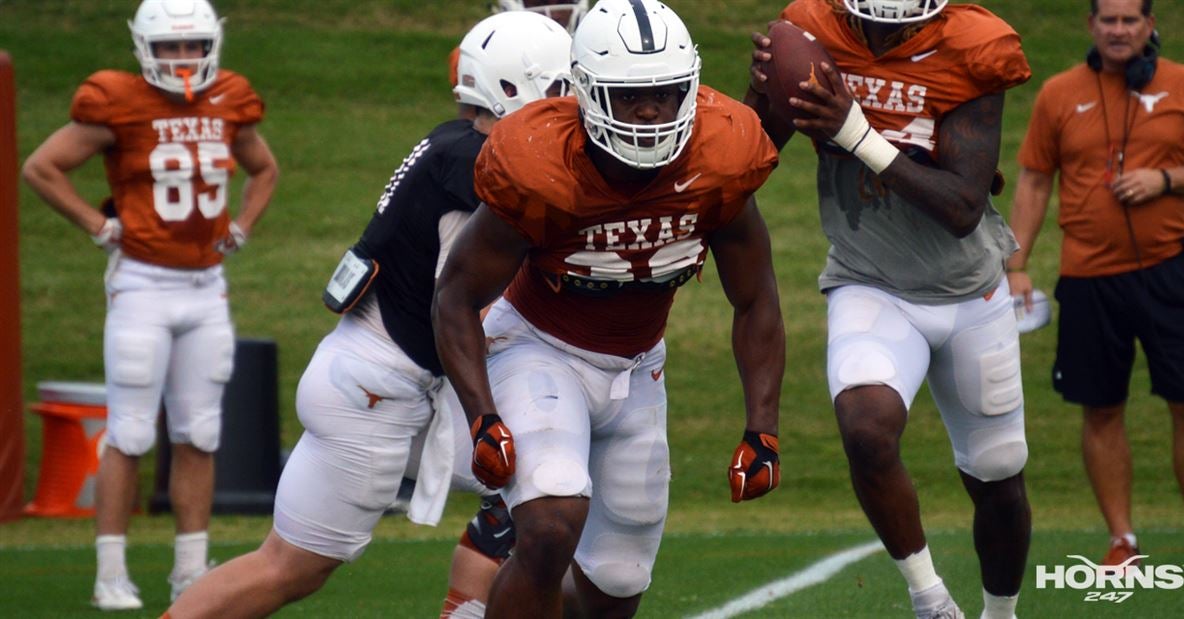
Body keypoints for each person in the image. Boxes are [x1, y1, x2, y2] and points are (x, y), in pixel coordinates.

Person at [162, 11, 573, 619]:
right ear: (522, 87)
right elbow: (482, 285)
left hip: (382, 380)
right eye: (565, 86)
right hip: (379, 394)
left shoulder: (456, 143)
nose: (575, 104)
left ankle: (467, 607)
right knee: (288, 568)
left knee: (550, 493)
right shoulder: (477, 163)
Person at [433, 1, 784, 616]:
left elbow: (755, 298)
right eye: (628, 97)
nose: (650, 113)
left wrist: (763, 427)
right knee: (548, 527)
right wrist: (482, 416)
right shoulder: (540, 161)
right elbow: (455, 296)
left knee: (615, 588)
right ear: (588, 92)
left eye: (667, 94)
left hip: (639, 366)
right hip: (539, 350)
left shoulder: (720, 156)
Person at [745, 1, 1032, 617]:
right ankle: (931, 600)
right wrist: (763, 89)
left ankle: (1001, 614)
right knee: (867, 431)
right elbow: (750, 156)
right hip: (869, 279)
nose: (888, 32)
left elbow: (960, 208)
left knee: (999, 478)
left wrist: (855, 132)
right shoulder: (813, 28)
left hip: (968, 292)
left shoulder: (973, 45)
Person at [21, 0, 278, 611]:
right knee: (131, 431)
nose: (184, 59)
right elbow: (42, 166)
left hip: (205, 284)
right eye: (171, 48)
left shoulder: (229, 99)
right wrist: (96, 224)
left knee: (201, 431)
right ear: (146, 49)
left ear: (210, 45)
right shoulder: (117, 101)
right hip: (140, 282)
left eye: (192, 46)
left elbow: (263, 169)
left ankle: (190, 569)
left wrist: (241, 224)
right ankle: (111, 570)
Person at [1009, 0, 1184, 574]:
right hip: (1088, 278)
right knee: (1100, 408)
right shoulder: (1060, 93)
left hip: (1169, 270)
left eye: (1130, 20)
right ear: (1091, 26)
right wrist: (1016, 265)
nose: (1119, 31)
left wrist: (1165, 179)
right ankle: (1122, 540)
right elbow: (1035, 179)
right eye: (1108, 21)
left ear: (1149, 26)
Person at [449, 0, 590, 120]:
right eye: (539, 1)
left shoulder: (598, 47)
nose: (555, 14)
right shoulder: (480, 54)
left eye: (563, 1)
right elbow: (473, 124)